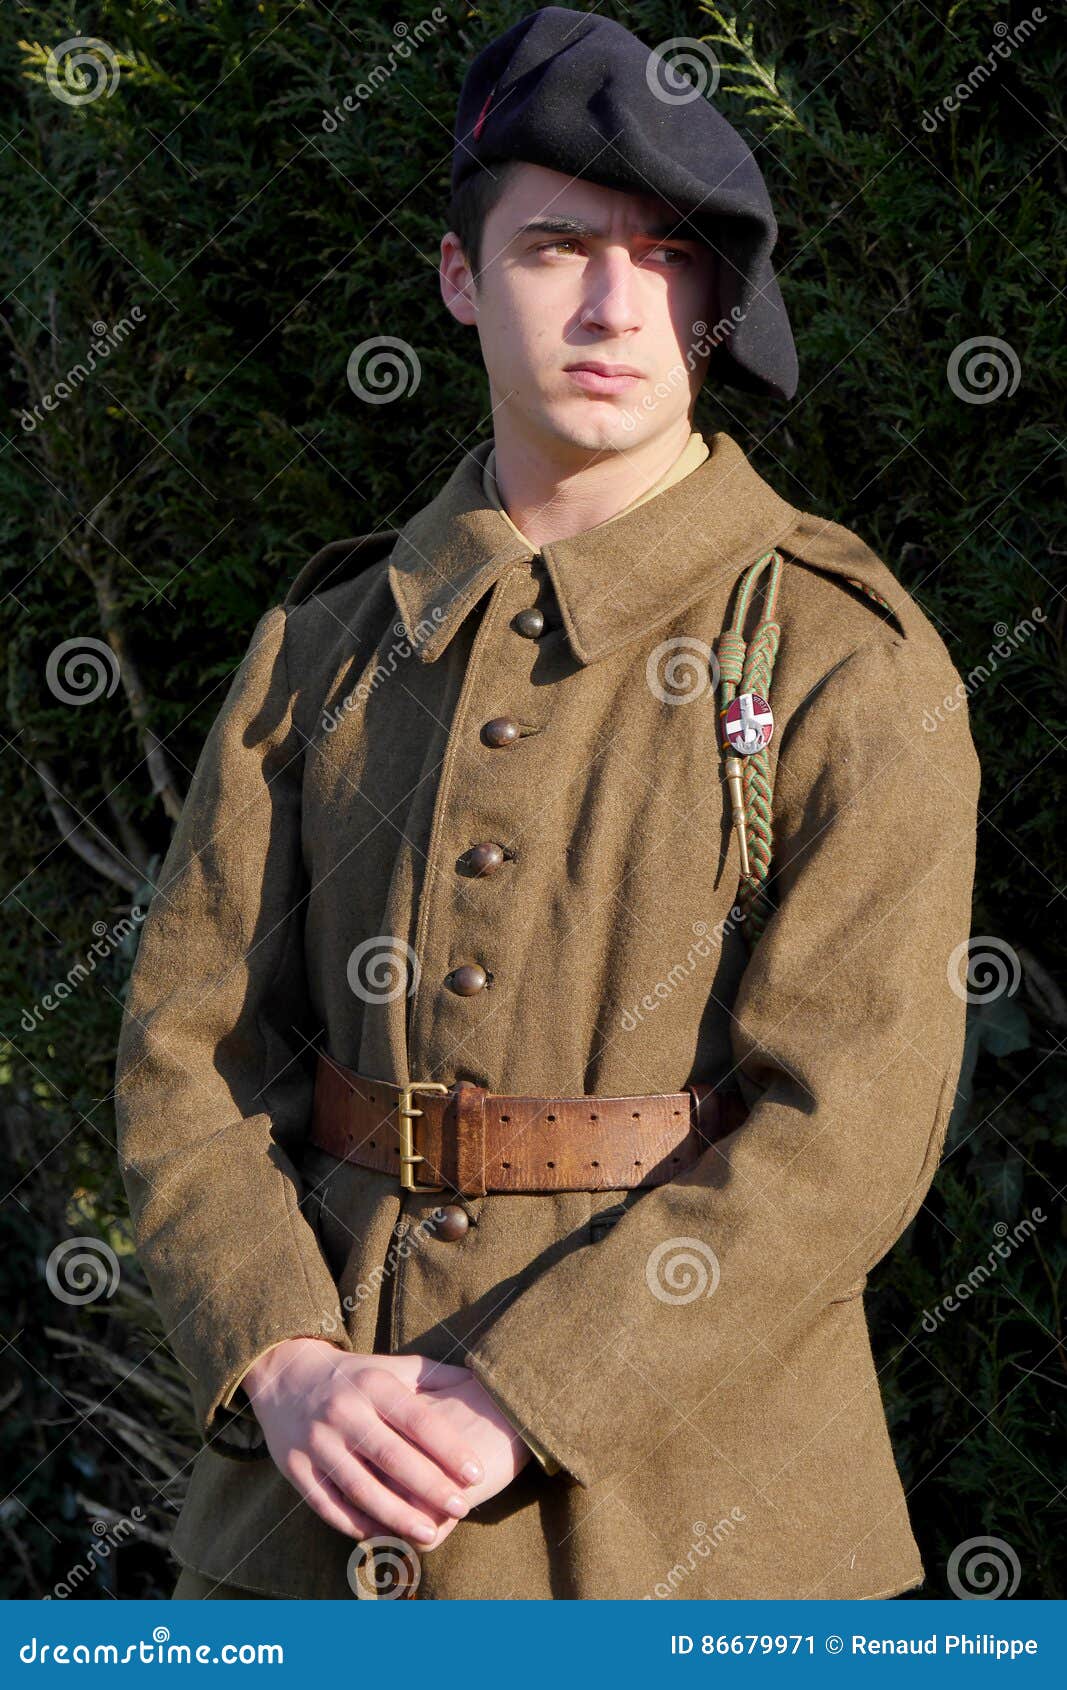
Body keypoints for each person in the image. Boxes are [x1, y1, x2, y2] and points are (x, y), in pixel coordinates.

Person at [117, 7, 980, 1601]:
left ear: (716, 307)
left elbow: (845, 1130)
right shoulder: (321, 652)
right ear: (459, 281)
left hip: (696, 1536)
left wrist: (536, 1391)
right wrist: (287, 1357)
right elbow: (190, 1055)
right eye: (557, 246)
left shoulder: (843, 656)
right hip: (318, 1513)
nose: (610, 303)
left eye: (665, 261)